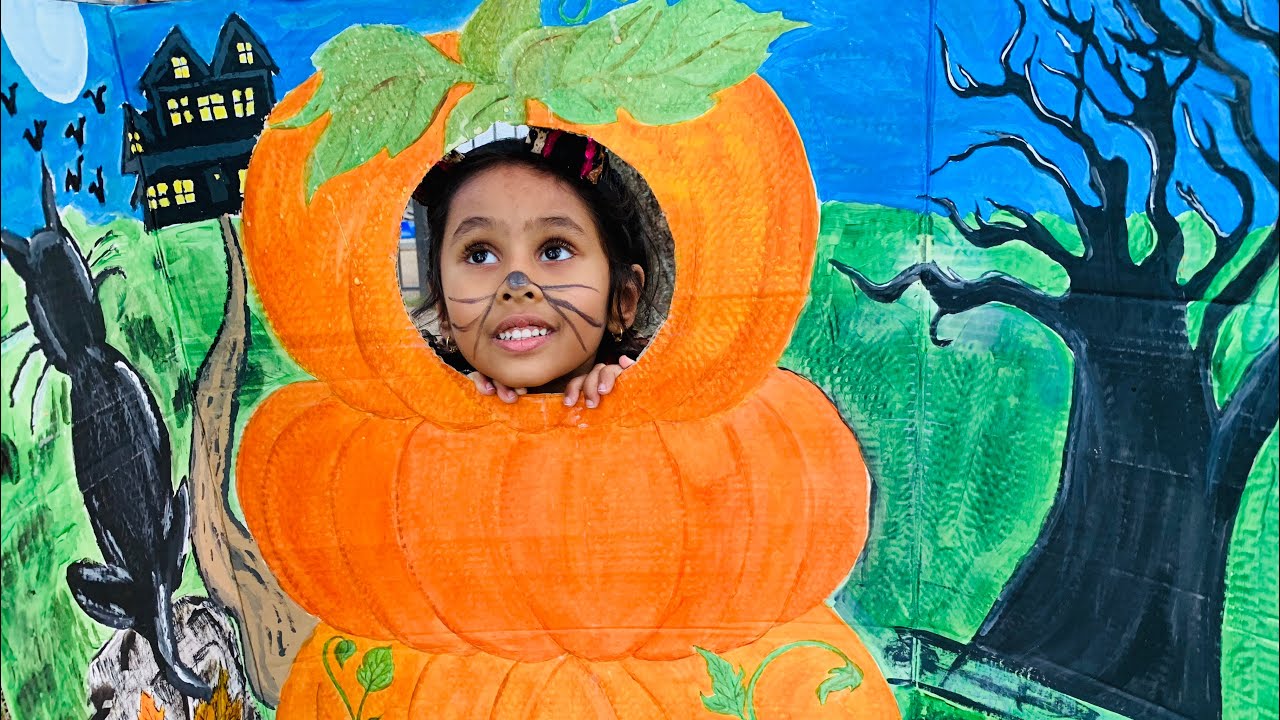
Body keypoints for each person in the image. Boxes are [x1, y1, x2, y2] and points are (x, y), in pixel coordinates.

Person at [411, 128, 656, 408]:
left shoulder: (668, 413)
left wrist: (636, 404)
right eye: (480, 256)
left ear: (622, 300)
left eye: (554, 251)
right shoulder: (409, 426)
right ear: (443, 309)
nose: (516, 285)